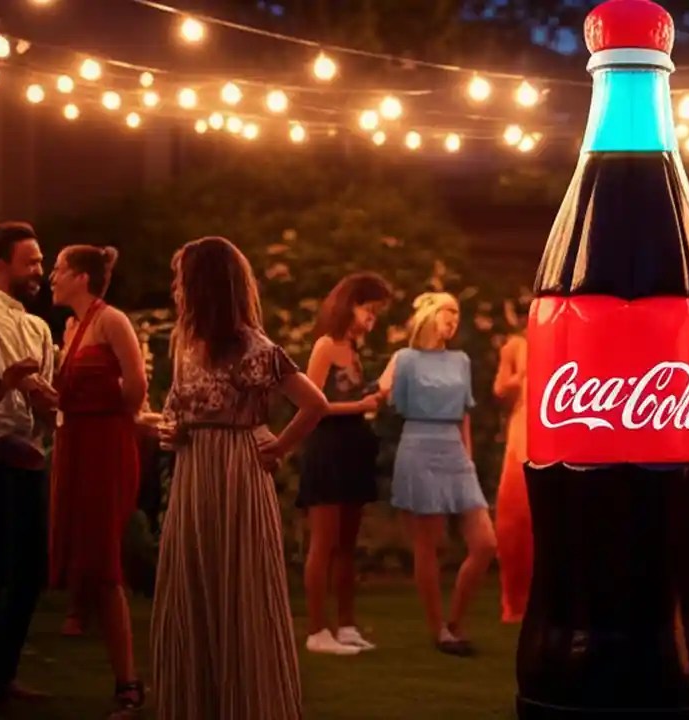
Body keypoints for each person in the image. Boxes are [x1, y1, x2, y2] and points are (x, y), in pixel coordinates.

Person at [151, 236, 328, 720]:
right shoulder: (184, 344)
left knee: (238, 589)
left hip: (235, 472)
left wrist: (281, 444)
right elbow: (177, 407)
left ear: (202, 285)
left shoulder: (255, 347)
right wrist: (170, 430)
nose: (176, 289)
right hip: (194, 471)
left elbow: (315, 403)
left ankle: (248, 702)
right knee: (195, 584)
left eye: (182, 279)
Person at [48, 245, 147, 712]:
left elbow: (136, 386)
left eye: (60, 269)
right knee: (85, 550)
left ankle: (127, 683)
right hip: (76, 445)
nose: (52, 276)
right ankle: (80, 615)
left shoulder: (112, 321)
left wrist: (111, 416)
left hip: (106, 444)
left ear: (83, 277)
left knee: (106, 560)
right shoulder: (70, 329)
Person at [380, 291, 497, 655]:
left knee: (485, 544)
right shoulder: (407, 359)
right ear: (431, 314)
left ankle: (457, 622)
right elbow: (386, 393)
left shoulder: (460, 360)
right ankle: (439, 630)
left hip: (454, 450)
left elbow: (465, 413)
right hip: (419, 443)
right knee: (428, 545)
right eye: (449, 312)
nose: (454, 320)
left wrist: (469, 461)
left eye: (458, 314)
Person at [299, 272, 391, 655]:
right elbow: (310, 402)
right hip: (328, 448)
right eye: (368, 310)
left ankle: (347, 624)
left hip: (354, 448)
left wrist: (374, 395)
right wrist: (359, 405)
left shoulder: (355, 349)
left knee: (348, 544)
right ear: (349, 305)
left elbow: (352, 397)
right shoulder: (325, 345)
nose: (372, 319)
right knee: (324, 542)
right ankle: (318, 630)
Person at [0, 222, 55, 707]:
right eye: (30, 261)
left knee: (30, 571)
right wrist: (7, 383)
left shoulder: (38, 328)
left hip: (29, 461)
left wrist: (49, 403)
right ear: (1, 263)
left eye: (40, 261)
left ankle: (2, 674)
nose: (40, 269)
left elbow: (44, 411)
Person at [494, 329, 530, 623]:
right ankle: (514, 603)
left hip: (559, 426)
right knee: (516, 518)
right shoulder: (517, 345)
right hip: (525, 431)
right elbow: (500, 388)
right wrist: (522, 378)